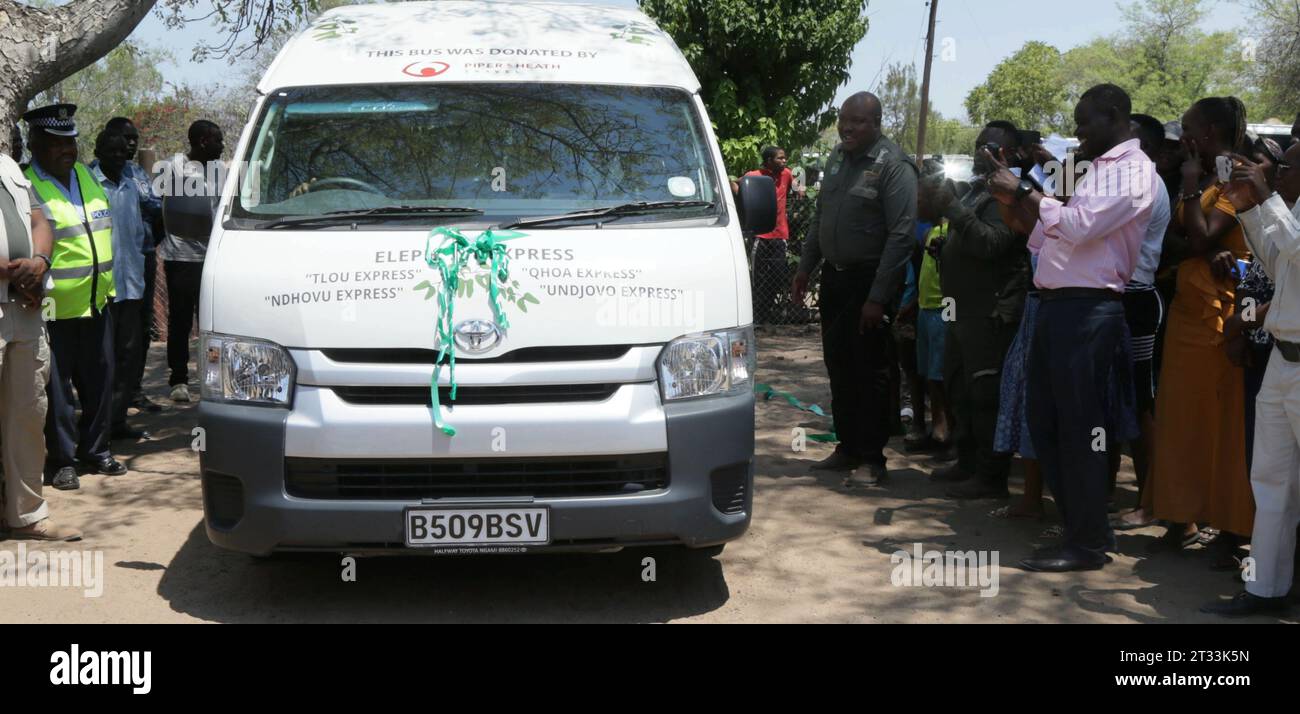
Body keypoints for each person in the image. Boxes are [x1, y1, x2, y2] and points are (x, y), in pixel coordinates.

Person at [986, 84, 1158, 572]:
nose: (1078, 133)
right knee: (1045, 421)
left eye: (1085, 122)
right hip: (1057, 307)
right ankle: (1079, 530)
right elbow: (1048, 235)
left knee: (1081, 428)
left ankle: (1087, 542)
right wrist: (1011, 196)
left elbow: (1080, 226)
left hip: (1089, 311)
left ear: (1114, 115)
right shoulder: (1097, 169)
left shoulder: (1133, 171)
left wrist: (1025, 191)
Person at [1146, 97, 1255, 569]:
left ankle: (1231, 528)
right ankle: (1180, 516)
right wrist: (1193, 243)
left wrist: (1189, 188)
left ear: (1209, 131)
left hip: (1222, 316)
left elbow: (1201, 236)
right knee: (1180, 416)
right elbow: (1175, 243)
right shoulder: (1204, 178)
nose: (1182, 136)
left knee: (1223, 424)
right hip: (1186, 311)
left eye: (1187, 128)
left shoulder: (1241, 177)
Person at [792, 92, 918, 483]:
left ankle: (871, 458)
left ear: (876, 123)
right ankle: (846, 448)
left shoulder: (894, 166)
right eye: (844, 119)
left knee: (872, 370)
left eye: (857, 121)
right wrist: (805, 267)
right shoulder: (835, 159)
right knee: (839, 365)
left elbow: (901, 236)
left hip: (869, 280)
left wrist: (878, 297)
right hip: (835, 277)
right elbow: (820, 217)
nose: (847, 127)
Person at [1201, 139, 1300, 616]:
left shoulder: (1286, 209)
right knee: (1272, 482)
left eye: (1287, 166)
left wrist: (1269, 202)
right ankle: (1265, 589)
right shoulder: (1288, 211)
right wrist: (1249, 210)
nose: (1277, 172)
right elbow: (1274, 261)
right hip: (1282, 361)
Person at [923, 122, 1031, 500]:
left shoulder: (1013, 198)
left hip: (990, 312)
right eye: (978, 145)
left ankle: (991, 475)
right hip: (960, 309)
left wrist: (953, 210)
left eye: (991, 147)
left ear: (1012, 154)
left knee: (986, 394)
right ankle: (966, 461)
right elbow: (971, 240)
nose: (980, 153)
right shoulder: (976, 191)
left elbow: (992, 244)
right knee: (959, 387)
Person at [22, 103, 127, 490]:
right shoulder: (26, 184)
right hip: (53, 308)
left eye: (71, 143)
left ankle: (97, 451)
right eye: (55, 143)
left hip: (98, 301)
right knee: (57, 390)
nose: (67, 150)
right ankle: (63, 460)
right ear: (34, 143)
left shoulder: (86, 175)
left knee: (100, 380)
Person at [0, 134, 81, 540]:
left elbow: (39, 221)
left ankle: (28, 516)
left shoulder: (10, 167)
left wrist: (40, 262)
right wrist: (16, 272)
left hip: (24, 308)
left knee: (28, 414)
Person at [1109, 114, 1172, 530]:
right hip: (1116, 297)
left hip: (1136, 299)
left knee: (1142, 401)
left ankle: (1150, 500)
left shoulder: (1143, 181)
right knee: (1119, 395)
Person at [91, 131, 153, 442]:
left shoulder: (131, 187)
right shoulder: (89, 185)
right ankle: (97, 429)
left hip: (131, 287)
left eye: (122, 151)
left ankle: (117, 423)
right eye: (111, 150)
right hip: (102, 291)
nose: (119, 155)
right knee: (102, 362)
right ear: (98, 151)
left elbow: (140, 233)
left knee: (128, 357)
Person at [159, 119, 223, 402]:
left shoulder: (220, 172)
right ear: (203, 142)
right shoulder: (174, 167)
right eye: (218, 140)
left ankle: (213, 377)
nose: (223, 146)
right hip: (181, 257)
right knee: (181, 320)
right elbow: (157, 204)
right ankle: (179, 379)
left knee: (212, 320)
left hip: (212, 258)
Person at [104, 117, 163, 413]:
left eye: (134, 139)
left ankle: (134, 390)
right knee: (113, 337)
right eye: (124, 138)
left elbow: (157, 211)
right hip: (112, 269)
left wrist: (147, 246)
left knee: (140, 328)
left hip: (141, 258)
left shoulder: (137, 173)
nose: (130, 144)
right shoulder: (95, 177)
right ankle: (110, 401)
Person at [742, 146, 794, 324]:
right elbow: (736, 184)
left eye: (784, 158)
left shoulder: (787, 174)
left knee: (778, 276)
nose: (784, 161)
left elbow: (792, 189)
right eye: (780, 158)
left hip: (780, 234)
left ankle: (765, 314)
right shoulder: (755, 175)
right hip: (760, 235)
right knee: (758, 278)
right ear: (769, 160)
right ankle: (755, 316)